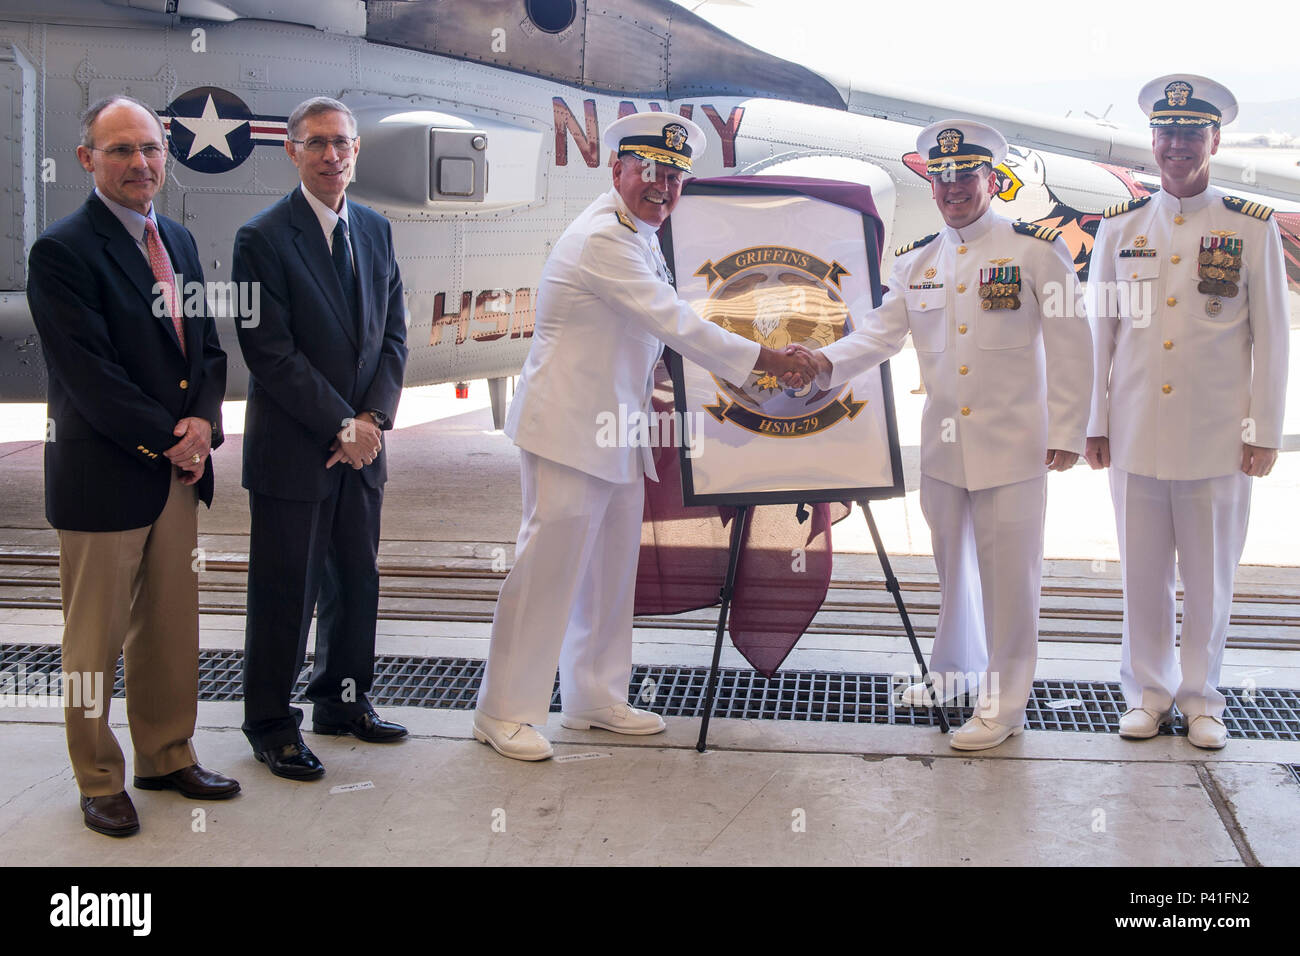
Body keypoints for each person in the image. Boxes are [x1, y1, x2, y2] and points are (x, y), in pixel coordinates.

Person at [473, 113, 815, 761]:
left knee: (607, 576)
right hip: (568, 430)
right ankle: (503, 710)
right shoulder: (604, 238)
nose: (663, 186)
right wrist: (764, 363)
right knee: (547, 572)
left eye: (675, 175)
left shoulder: (641, 232)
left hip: (615, 431)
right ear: (618, 170)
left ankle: (593, 696)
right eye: (651, 170)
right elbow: (674, 320)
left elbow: (661, 335)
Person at [793, 120, 1093, 751]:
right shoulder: (916, 262)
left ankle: (1005, 703)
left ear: (992, 180)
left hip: (1015, 448)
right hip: (945, 450)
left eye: (965, 175)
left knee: (1011, 579)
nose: (953, 187)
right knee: (952, 570)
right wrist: (822, 363)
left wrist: (1070, 428)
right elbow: (880, 335)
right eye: (942, 176)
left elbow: (1072, 347)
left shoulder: (1035, 251)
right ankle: (953, 675)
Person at [27, 95, 237, 836]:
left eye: (149, 149)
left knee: (172, 629)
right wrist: (170, 438)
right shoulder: (62, 251)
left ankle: (166, 753)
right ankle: (97, 776)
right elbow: (91, 376)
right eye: (120, 151)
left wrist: (204, 423)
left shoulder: (176, 239)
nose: (139, 164)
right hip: (105, 475)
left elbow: (206, 348)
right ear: (86, 160)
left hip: (175, 477)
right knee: (93, 641)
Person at [1084, 75, 1288, 750]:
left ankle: (1202, 698)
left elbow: (1272, 338)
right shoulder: (1120, 229)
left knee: (1208, 579)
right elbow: (1100, 334)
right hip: (1138, 432)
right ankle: (1148, 691)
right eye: (1166, 133)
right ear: (1153, 141)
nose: (1177, 146)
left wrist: (1263, 431)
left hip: (1216, 439)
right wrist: (1095, 420)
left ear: (1214, 140)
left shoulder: (1248, 229)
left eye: (1190, 134)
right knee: (1143, 575)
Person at [232, 96, 409, 780]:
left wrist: (374, 424)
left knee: (355, 582)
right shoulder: (263, 237)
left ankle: (342, 702)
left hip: (361, 451)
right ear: (293, 151)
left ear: (357, 151)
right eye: (316, 144)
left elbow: (394, 335)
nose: (331, 155)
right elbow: (269, 352)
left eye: (341, 143)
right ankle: (272, 724)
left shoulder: (376, 229)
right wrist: (344, 424)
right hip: (296, 452)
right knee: (287, 590)